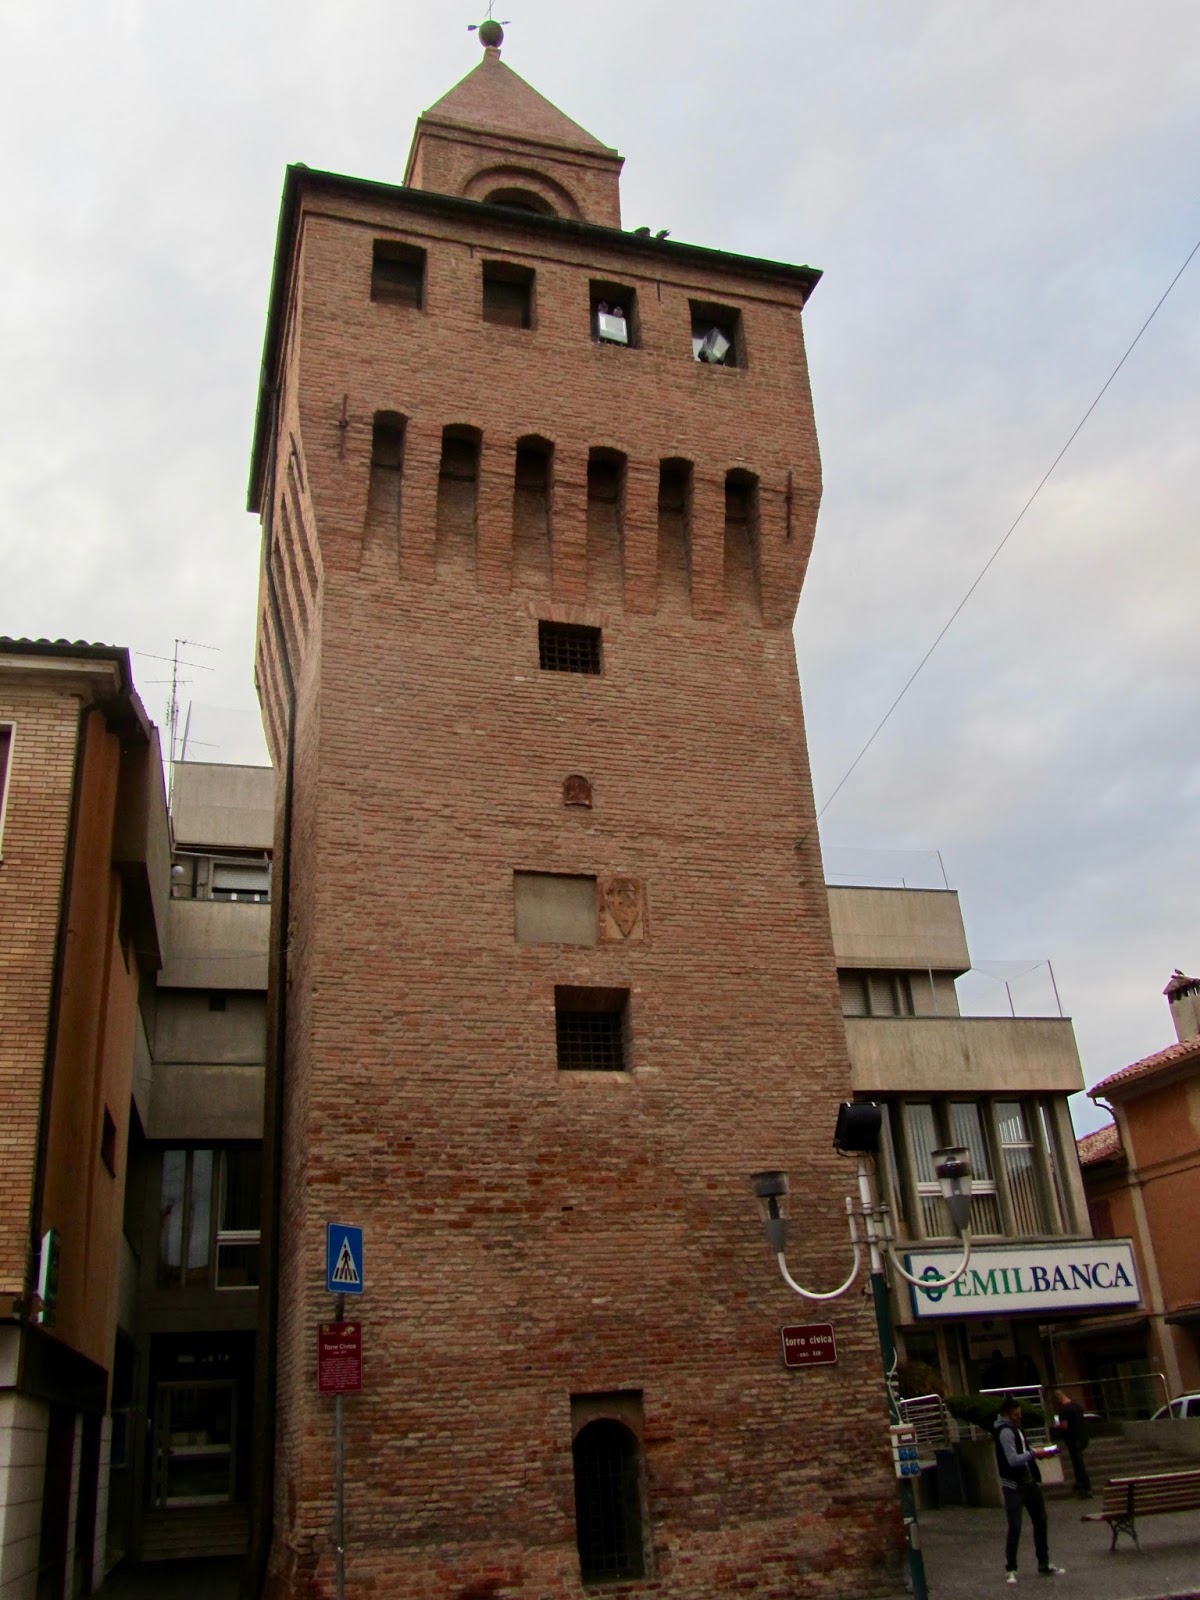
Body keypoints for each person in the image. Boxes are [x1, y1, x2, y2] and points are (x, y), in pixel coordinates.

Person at [993, 1394, 1065, 1584]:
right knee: (1015, 1525)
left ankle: (1044, 1562)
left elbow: (1021, 1454)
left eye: (1020, 1414)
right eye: (1016, 1414)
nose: (1019, 1417)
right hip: (1013, 1484)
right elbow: (1012, 1459)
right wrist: (1034, 1454)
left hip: (1027, 1480)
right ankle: (1011, 1567)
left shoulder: (1016, 1429)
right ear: (1007, 1414)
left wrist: (1037, 1455)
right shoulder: (1006, 1431)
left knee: (1040, 1521)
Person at [1052, 1388, 1092, 1497]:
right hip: (1082, 1437)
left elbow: (1064, 1426)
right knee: (1079, 1462)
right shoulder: (1077, 1406)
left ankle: (1084, 1485)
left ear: (1058, 1399)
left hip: (1072, 1439)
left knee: (1078, 1464)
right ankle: (1082, 1484)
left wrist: (1056, 1426)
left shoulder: (1064, 1410)